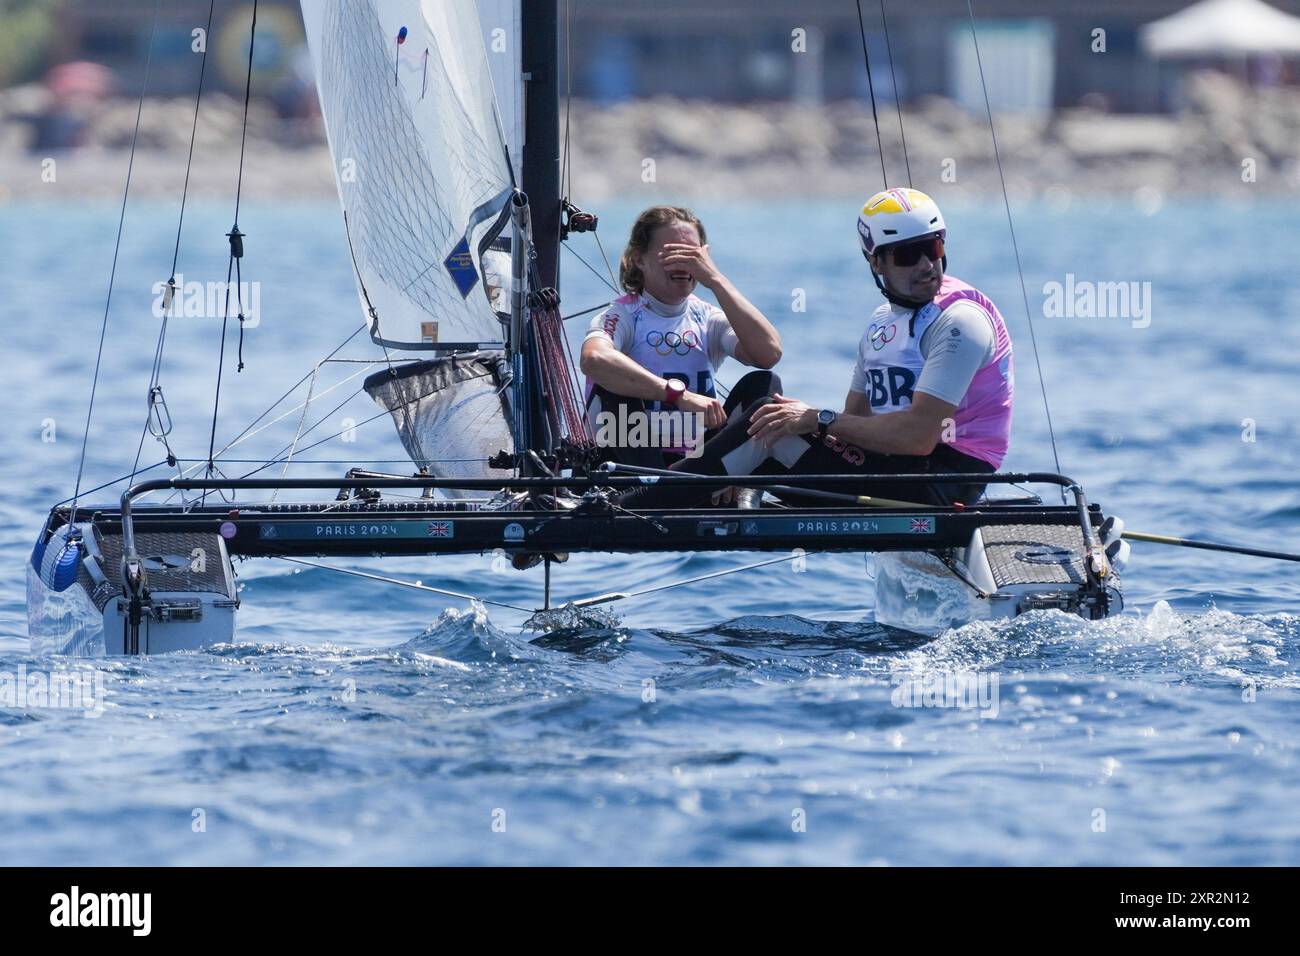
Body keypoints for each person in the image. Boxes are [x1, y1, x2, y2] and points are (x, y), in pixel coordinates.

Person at [621, 187, 1014, 509]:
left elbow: (916, 437)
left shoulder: (960, 322)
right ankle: (701, 491)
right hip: (894, 471)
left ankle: (636, 507)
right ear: (875, 262)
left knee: (767, 420)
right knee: (770, 413)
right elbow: (856, 424)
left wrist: (815, 419)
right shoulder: (881, 323)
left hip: (943, 484)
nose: (927, 265)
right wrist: (801, 422)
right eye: (908, 255)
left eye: (934, 247)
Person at [580, 206, 783, 471]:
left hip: (693, 462)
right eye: (672, 253)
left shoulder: (707, 318)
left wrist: (716, 280)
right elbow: (594, 359)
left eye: (692, 256)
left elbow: (769, 354)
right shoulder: (623, 315)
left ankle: (718, 476)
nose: (683, 264)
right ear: (640, 259)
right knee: (612, 386)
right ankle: (666, 486)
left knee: (764, 383)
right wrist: (678, 396)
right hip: (628, 460)